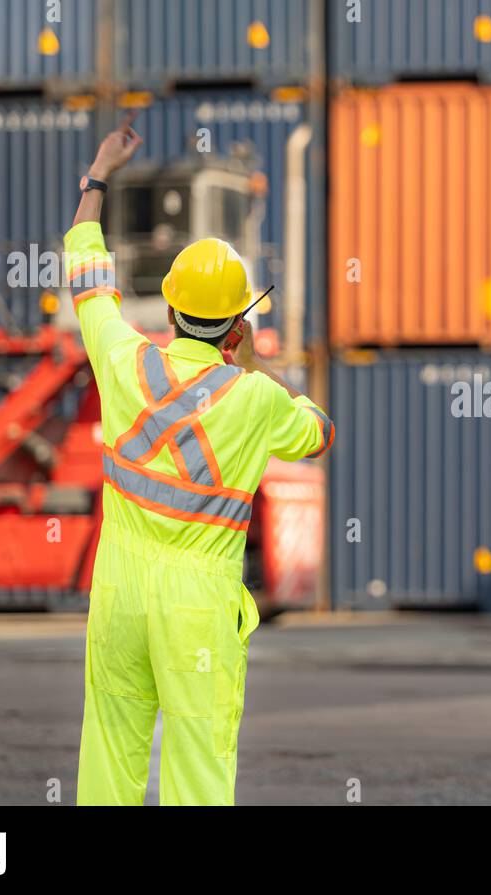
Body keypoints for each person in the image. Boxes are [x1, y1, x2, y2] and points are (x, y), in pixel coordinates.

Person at [68, 117, 335, 805]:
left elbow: (87, 273)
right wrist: (254, 366)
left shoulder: (124, 359)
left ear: (173, 309)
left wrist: (99, 173)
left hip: (120, 592)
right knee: (199, 766)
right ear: (237, 325)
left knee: (110, 751)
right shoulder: (254, 400)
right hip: (197, 607)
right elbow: (319, 432)